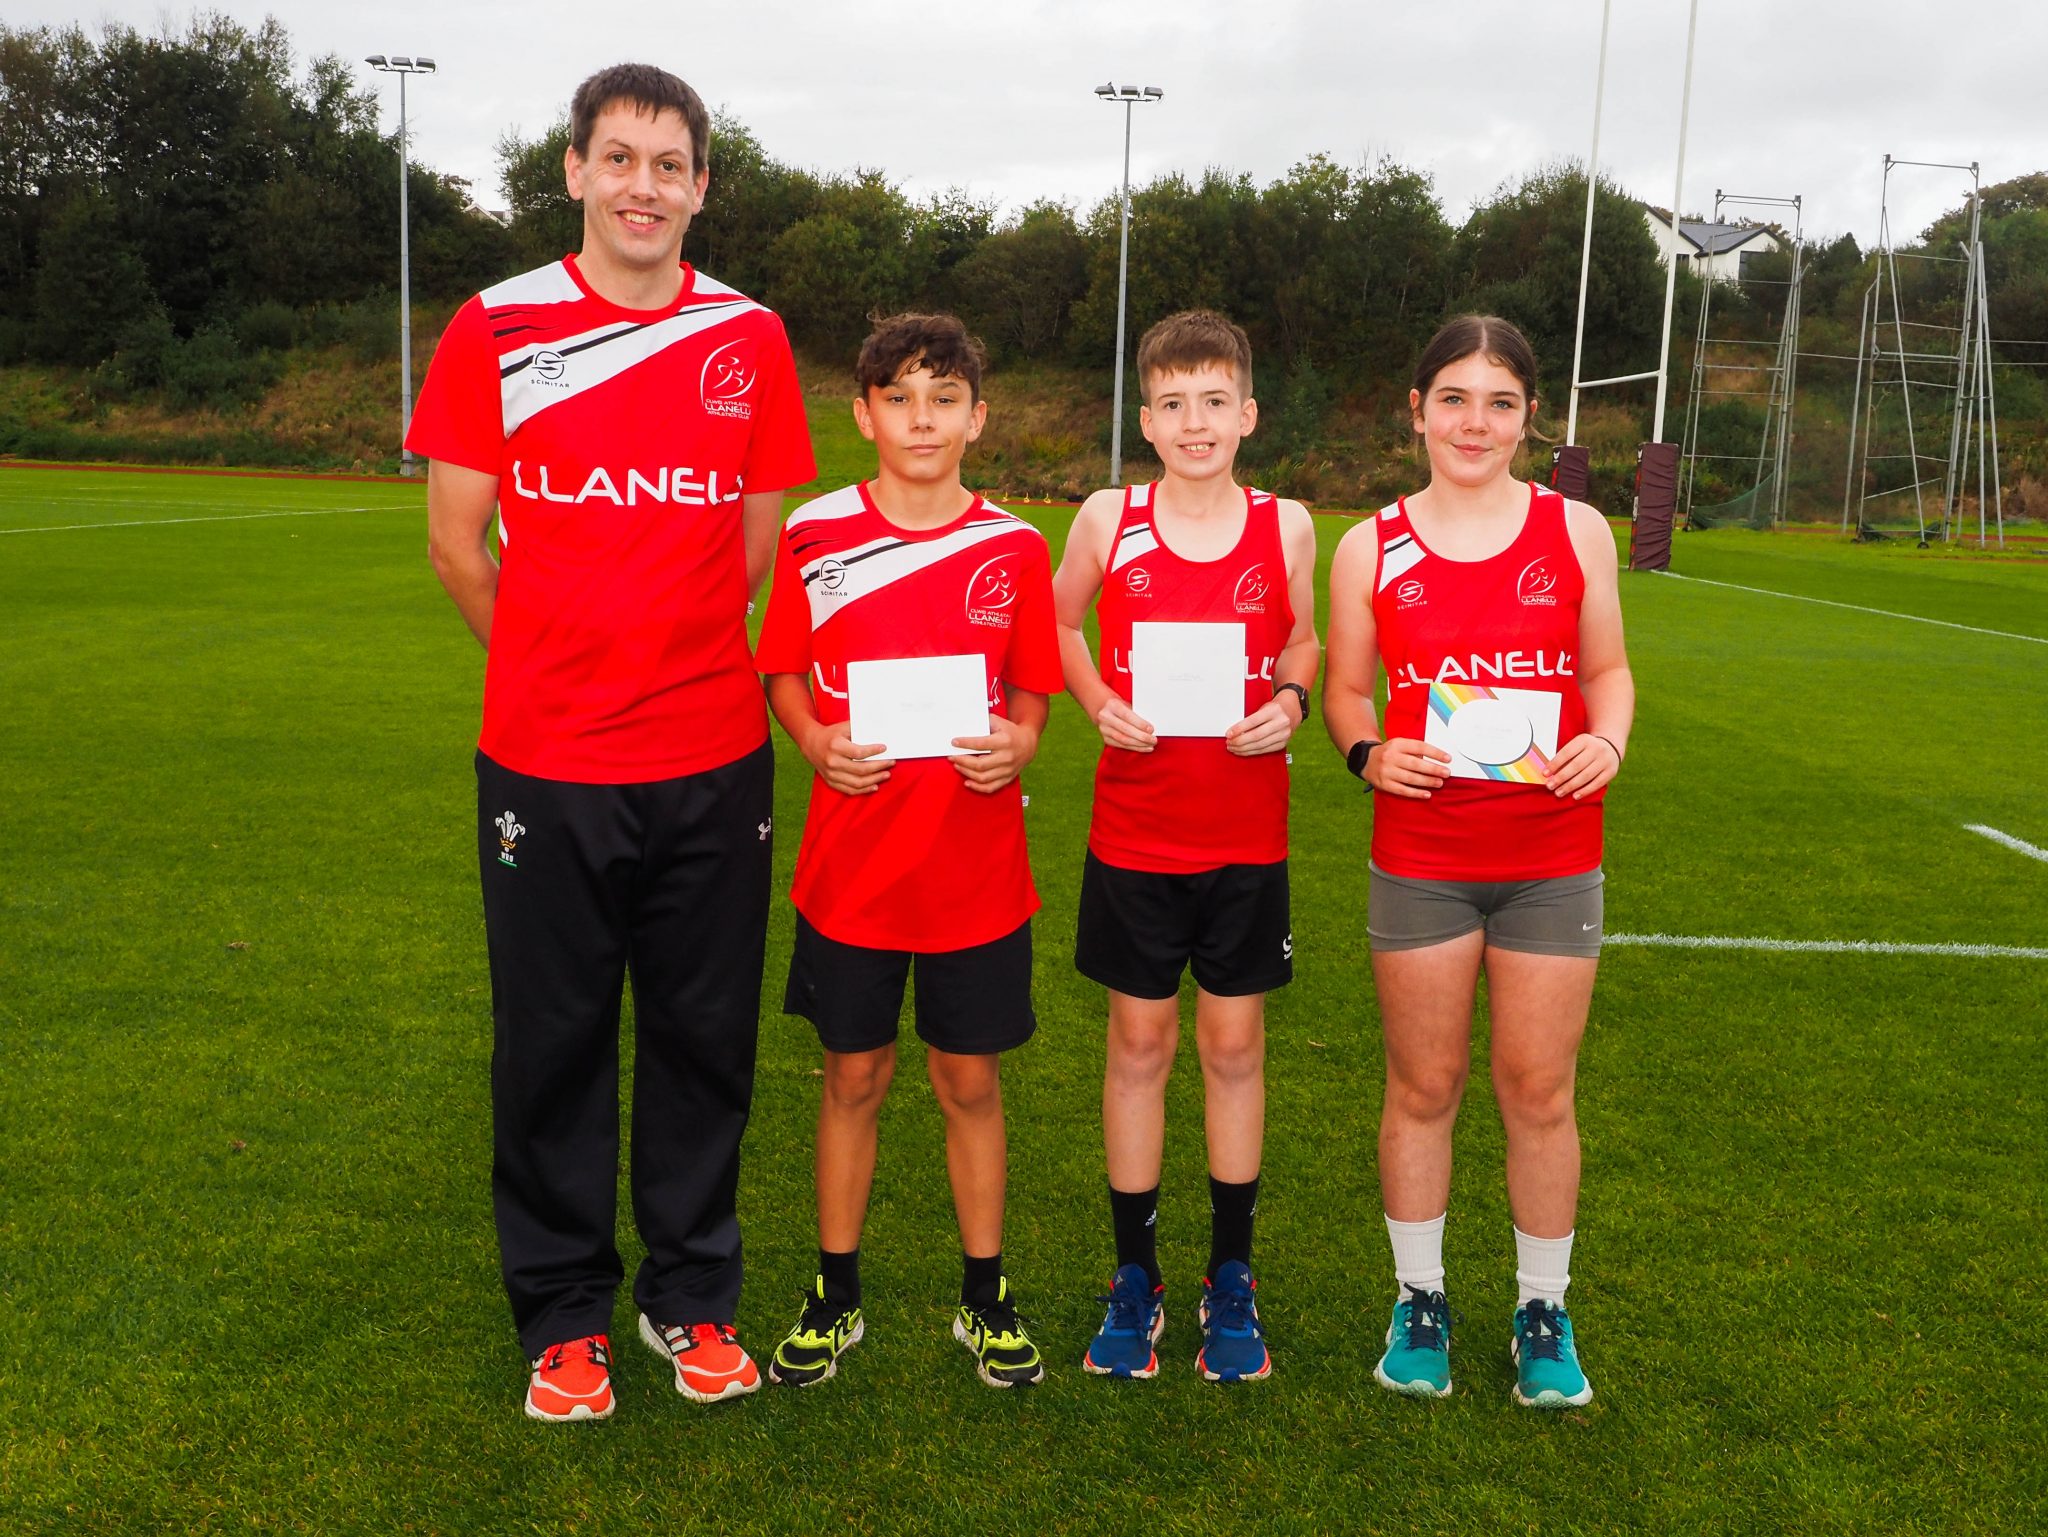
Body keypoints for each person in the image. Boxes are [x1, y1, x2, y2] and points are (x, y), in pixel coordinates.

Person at [407, 63, 816, 1422]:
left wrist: (663, 662)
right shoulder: (495, 325)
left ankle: (691, 1300)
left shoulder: (749, 336)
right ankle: (566, 1311)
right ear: (574, 170)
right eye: (620, 157)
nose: (645, 185)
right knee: (553, 1041)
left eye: (671, 163)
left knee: (705, 1037)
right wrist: (556, 665)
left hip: (712, 756)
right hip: (546, 759)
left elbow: (751, 552)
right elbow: (458, 545)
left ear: (702, 186)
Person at [1323, 313, 1634, 1408]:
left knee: (1537, 1089)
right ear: (1415, 409)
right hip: (1421, 854)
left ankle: (1541, 1310)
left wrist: (1605, 739)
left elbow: (1606, 672)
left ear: (1528, 417)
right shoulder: (1370, 544)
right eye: (1452, 397)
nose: (1473, 421)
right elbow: (1346, 692)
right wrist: (1366, 752)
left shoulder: (1577, 531)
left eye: (1498, 401)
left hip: (1551, 852)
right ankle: (1420, 1302)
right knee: (1424, 1083)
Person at [753, 313, 1063, 1390]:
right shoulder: (813, 533)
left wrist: (1019, 740)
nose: (920, 418)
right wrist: (812, 742)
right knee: (852, 1076)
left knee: (967, 1081)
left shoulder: (1016, 546)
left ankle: (986, 1297)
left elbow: (1030, 690)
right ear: (863, 413)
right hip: (852, 869)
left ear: (978, 416)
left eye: (942, 398)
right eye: (899, 397)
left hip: (975, 871)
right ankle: (833, 1295)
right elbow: (784, 670)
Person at [1051, 310, 1319, 1383]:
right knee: (1137, 1048)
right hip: (1134, 835)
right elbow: (1060, 626)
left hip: (1244, 837)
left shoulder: (1286, 522)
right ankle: (1133, 1276)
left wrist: (1292, 698)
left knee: (1233, 1050)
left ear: (1246, 414)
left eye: (1215, 401)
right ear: (1146, 420)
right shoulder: (1106, 517)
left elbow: (1301, 633)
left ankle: (1231, 1275)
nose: (1194, 421)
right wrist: (1097, 701)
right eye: (1172, 403)